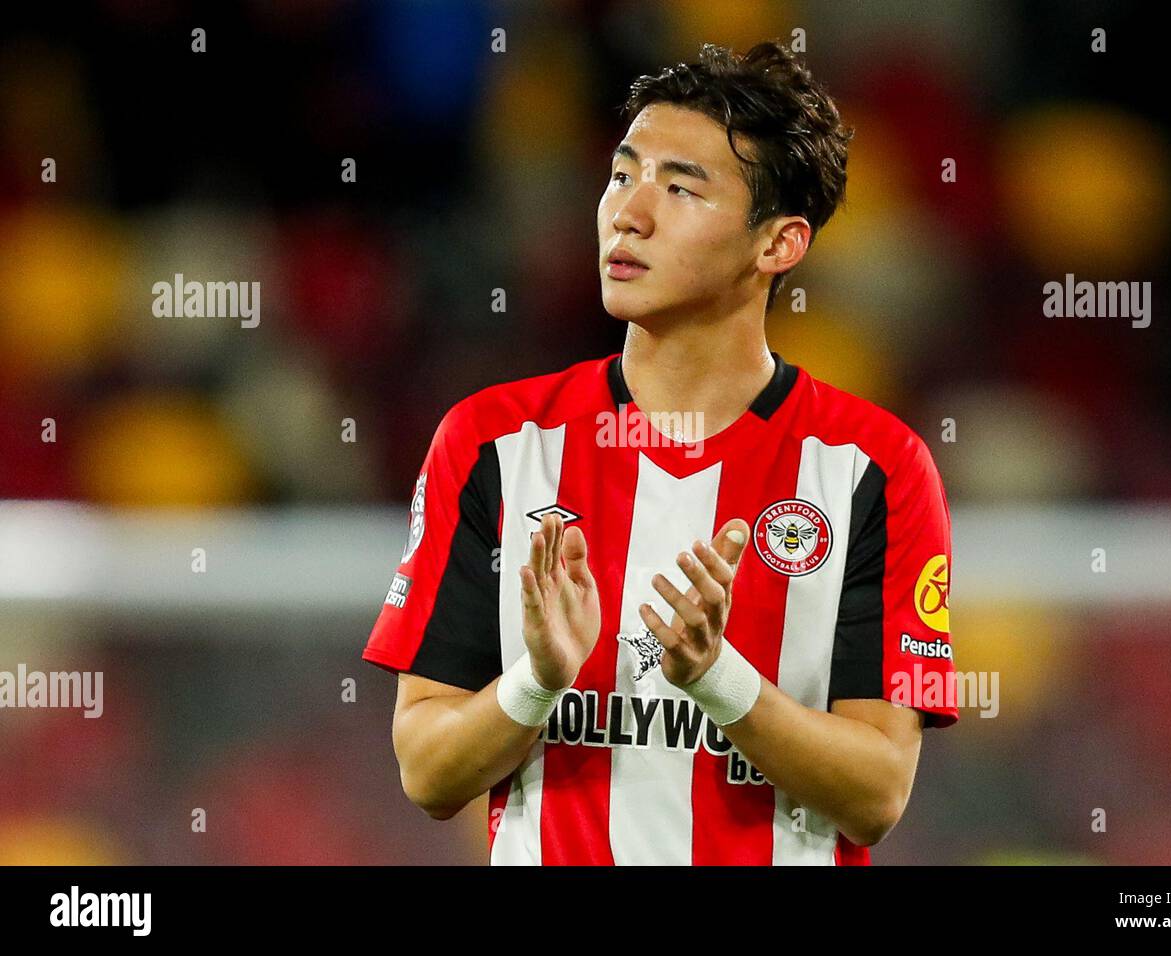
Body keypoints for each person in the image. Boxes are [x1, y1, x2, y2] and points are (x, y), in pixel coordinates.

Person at [362, 40, 957, 865]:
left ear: (779, 245)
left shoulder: (872, 467)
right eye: (621, 176)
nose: (627, 214)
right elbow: (425, 771)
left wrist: (719, 678)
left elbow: (878, 793)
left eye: (679, 188)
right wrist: (537, 681)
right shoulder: (495, 442)